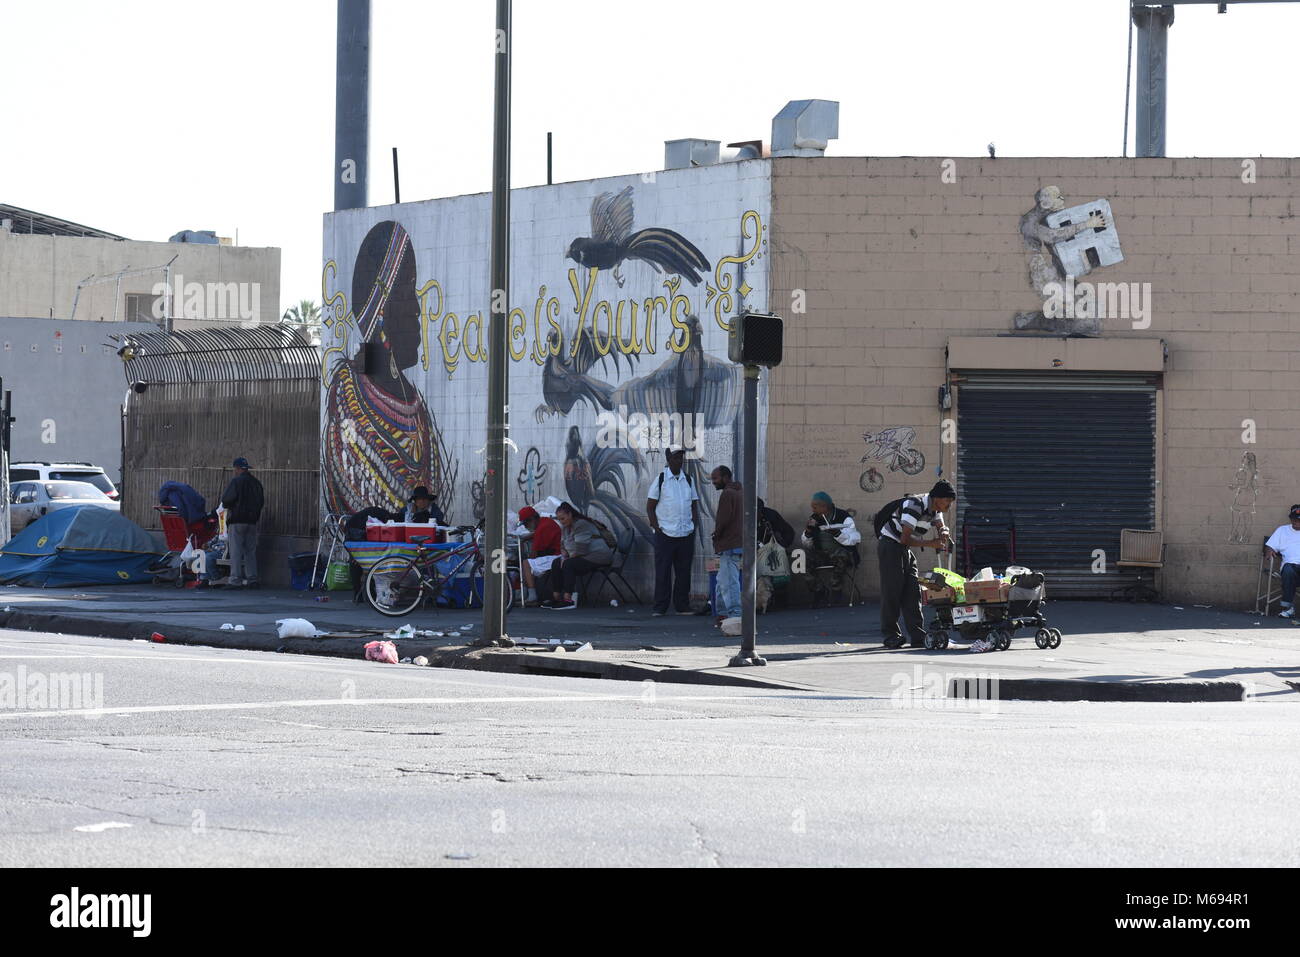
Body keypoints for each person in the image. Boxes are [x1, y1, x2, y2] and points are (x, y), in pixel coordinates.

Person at [877, 480, 956, 648]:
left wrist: (944, 533)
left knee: (913, 592)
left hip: (904, 549)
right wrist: (931, 543)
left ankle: (917, 635)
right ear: (937, 498)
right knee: (892, 591)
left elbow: (941, 525)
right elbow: (904, 538)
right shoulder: (915, 505)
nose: (949, 505)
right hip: (891, 546)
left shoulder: (935, 509)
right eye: (947, 501)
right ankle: (890, 635)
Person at [647, 444, 700, 616]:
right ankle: (660, 607)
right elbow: (650, 507)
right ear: (668, 460)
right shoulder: (661, 479)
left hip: (685, 534)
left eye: (681, 458)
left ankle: (682, 605)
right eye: (675, 458)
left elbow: (694, 504)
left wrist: (694, 526)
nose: (679, 461)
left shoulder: (688, 480)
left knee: (684, 572)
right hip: (665, 534)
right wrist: (657, 528)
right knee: (663, 572)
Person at [539, 502, 613, 610]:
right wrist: (564, 557)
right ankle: (556, 598)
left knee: (568, 564)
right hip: (581, 556)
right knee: (556, 562)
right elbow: (563, 546)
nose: (561, 522)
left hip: (598, 556)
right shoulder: (565, 527)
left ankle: (568, 599)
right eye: (559, 519)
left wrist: (567, 559)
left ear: (570, 515)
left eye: (563, 518)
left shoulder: (581, 524)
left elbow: (581, 550)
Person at [800, 491, 861, 594]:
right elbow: (806, 544)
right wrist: (808, 533)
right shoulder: (814, 518)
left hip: (841, 555)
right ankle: (819, 591)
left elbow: (854, 540)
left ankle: (836, 590)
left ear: (824, 506)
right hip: (822, 554)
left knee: (841, 555)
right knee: (802, 559)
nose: (812, 510)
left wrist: (837, 533)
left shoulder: (843, 516)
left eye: (815, 507)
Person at [220, 456, 265, 589]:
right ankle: (252, 579)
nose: (234, 471)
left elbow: (226, 500)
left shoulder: (236, 482)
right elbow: (261, 502)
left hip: (237, 520)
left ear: (238, 469)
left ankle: (235, 579)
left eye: (235, 469)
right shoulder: (256, 483)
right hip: (252, 522)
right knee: (250, 551)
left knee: (236, 551)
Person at [710, 466, 743, 625]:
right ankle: (722, 614)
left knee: (729, 581)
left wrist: (716, 534)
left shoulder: (727, 494)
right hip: (736, 542)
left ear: (725, 477)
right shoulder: (740, 492)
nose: (713, 482)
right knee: (722, 581)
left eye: (715, 479)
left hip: (729, 543)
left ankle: (735, 615)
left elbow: (723, 520)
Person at [516, 505, 563, 606]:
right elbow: (537, 533)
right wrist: (527, 537)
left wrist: (528, 565)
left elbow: (534, 553)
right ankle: (524, 593)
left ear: (532, 520)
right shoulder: (544, 521)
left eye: (525, 523)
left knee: (526, 563)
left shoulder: (543, 528)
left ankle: (532, 595)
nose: (525, 527)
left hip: (558, 557)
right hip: (555, 555)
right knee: (526, 564)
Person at [1264, 505, 1300, 618]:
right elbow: (1270, 546)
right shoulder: (1282, 530)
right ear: (1291, 519)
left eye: (1299, 519)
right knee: (1289, 570)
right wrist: (1269, 550)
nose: (1296, 521)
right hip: (1290, 568)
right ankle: (1288, 608)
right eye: (1294, 519)